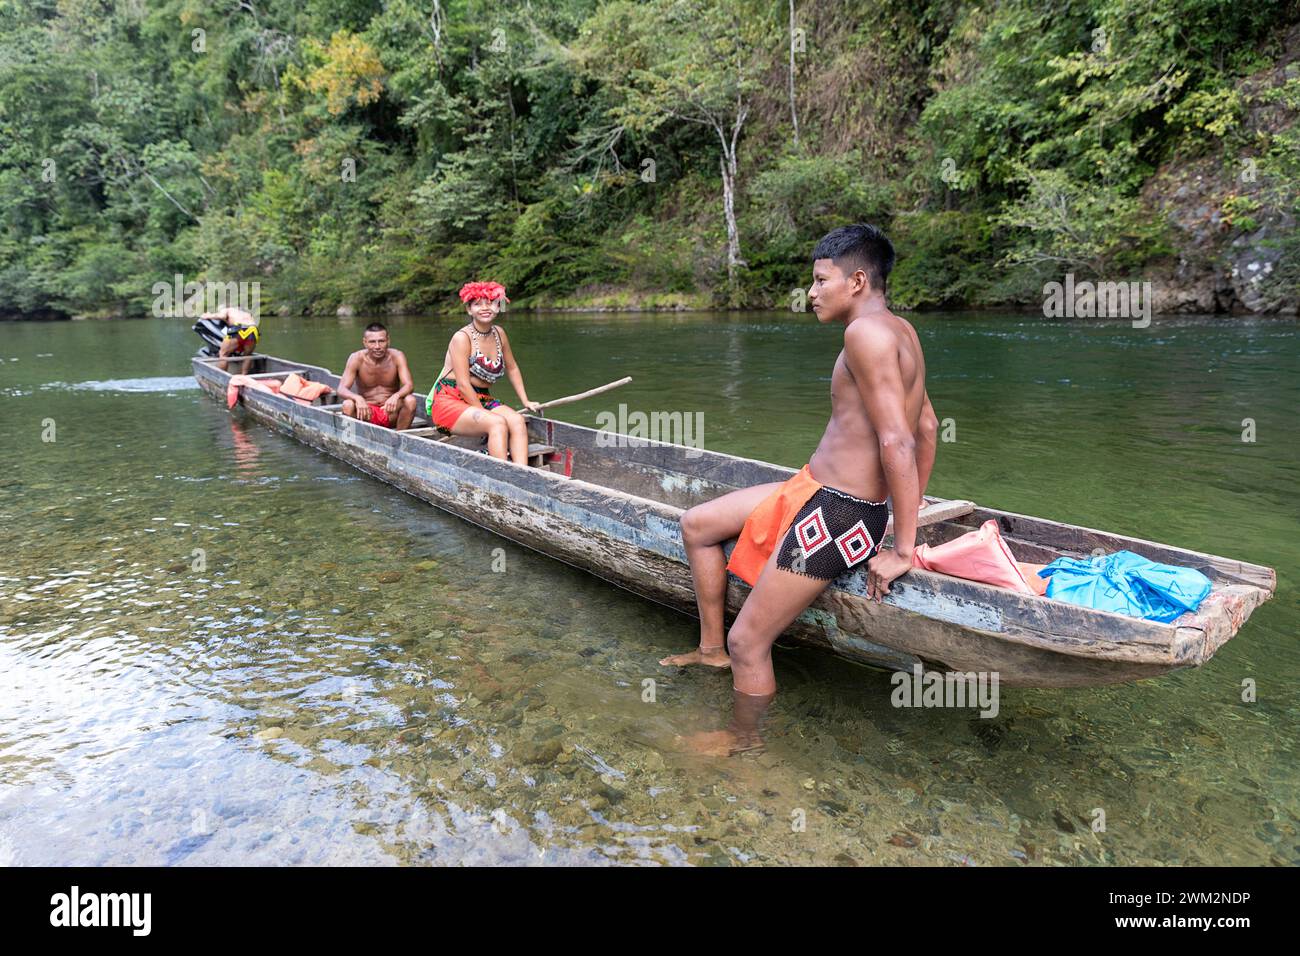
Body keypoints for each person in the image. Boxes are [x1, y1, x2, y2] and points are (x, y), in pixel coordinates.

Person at [662, 223, 939, 754]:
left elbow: (898, 440)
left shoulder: (866, 335)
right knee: (697, 524)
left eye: (819, 281)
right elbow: (926, 426)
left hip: (842, 515)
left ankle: (745, 743)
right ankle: (709, 649)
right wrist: (911, 502)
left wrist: (902, 546)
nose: (810, 293)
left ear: (857, 280)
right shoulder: (900, 330)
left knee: (752, 640)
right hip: (818, 491)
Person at [426, 281, 541, 464]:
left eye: (490, 302)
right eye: (478, 304)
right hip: (450, 400)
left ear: (498, 306)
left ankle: (522, 474)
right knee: (497, 423)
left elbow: (512, 367)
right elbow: (463, 385)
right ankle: (501, 476)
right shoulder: (461, 338)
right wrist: (487, 416)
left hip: (481, 397)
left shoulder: (499, 334)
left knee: (517, 421)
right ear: (469, 310)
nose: (485, 308)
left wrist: (525, 400)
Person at [335, 322, 418, 430]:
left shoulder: (397, 356)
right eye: (372, 342)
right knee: (348, 404)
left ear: (388, 340)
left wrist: (396, 396)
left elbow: (409, 385)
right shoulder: (356, 358)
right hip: (366, 413)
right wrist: (357, 398)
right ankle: (360, 439)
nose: (377, 346)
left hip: (391, 412)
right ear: (365, 342)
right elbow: (341, 389)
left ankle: (400, 437)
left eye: (381, 341)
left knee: (410, 400)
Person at [206, 305, 259, 372]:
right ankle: (243, 376)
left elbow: (221, 316)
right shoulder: (246, 313)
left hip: (238, 329)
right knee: (247, 356)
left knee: (223, 354)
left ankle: (222, 376)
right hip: (253, 330)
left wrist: (208, 316)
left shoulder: (227, 309)